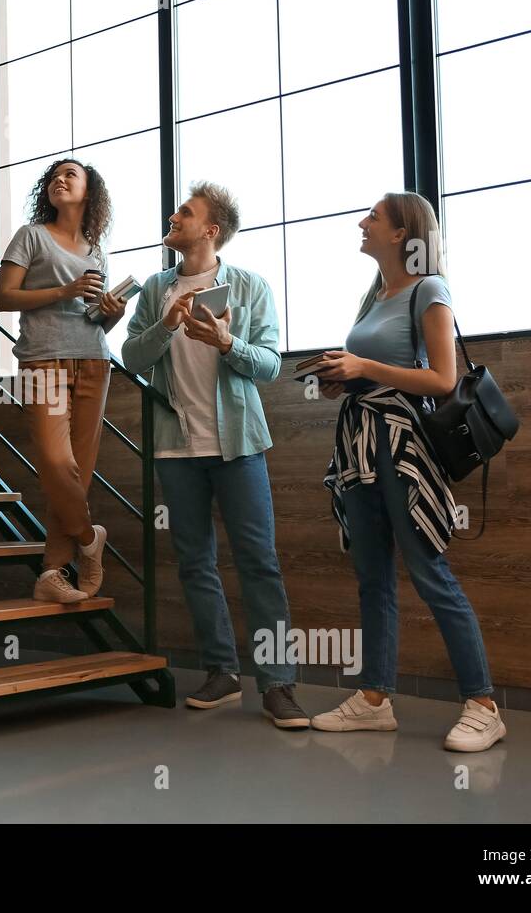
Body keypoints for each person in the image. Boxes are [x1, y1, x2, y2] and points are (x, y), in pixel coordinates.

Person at [309, 191, 505, 753]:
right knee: (372, 575)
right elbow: (376, 371)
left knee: (427, 569)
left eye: (373, 216)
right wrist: (341, 379)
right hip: (360, 440)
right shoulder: (376, 295)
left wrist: (364, 366)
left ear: (401, 233)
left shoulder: (430, 288)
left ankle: (484, 704)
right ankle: (374, 700)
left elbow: (444, 378)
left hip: (401, 444)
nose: (362, 222)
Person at [121, 182, 309, 730]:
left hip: (240, 445)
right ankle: (222, 672)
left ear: (211, 230)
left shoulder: (248, 287)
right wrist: (167, 325)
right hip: (176, 448)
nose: (173, 216)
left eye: (186, 212)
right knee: (195, 562)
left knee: (259, 563)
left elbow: (270, 365)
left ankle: (278, 684)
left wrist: (227, 343)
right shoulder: (157, 287)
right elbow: (131, 357)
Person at [0, 159, 126, 602]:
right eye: (55, 175)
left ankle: (51, 572)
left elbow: (90, 321)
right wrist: (64, 291)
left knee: (78, 472)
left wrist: (111, 315)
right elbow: (3, 296)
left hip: (94, 360)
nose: (60, 180)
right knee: (55, 462)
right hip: (42, 361)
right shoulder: (31, 235)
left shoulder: (95, 250)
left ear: (90, 190)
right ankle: (90, 540)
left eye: (71, 174)